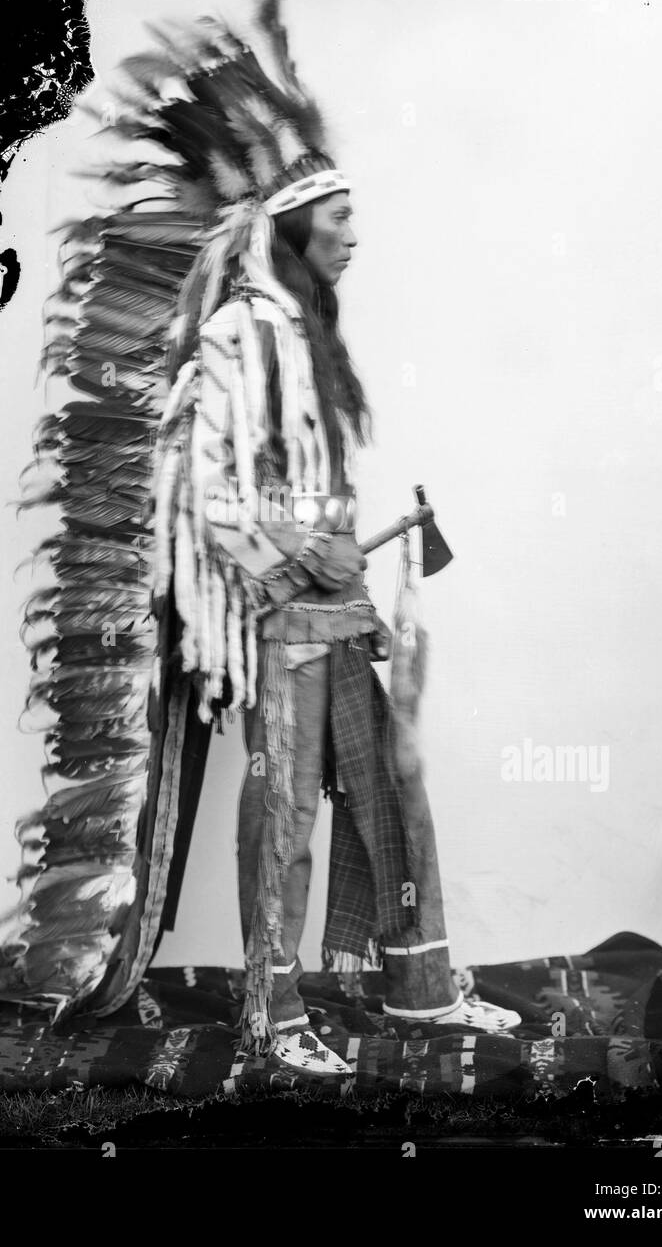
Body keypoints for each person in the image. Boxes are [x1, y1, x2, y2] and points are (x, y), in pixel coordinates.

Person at [159, 172, 521, 1073]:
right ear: (292, 228)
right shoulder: (236, 331)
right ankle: (271, 1016)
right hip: (280, 617)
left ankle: (420, 988)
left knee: (391, 788)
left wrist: (341, 568)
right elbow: (204, 491)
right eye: (340, 215)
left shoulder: (306, 330)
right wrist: (297, 551)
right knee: (282, 813)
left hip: (339, 608)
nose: (356, 232)